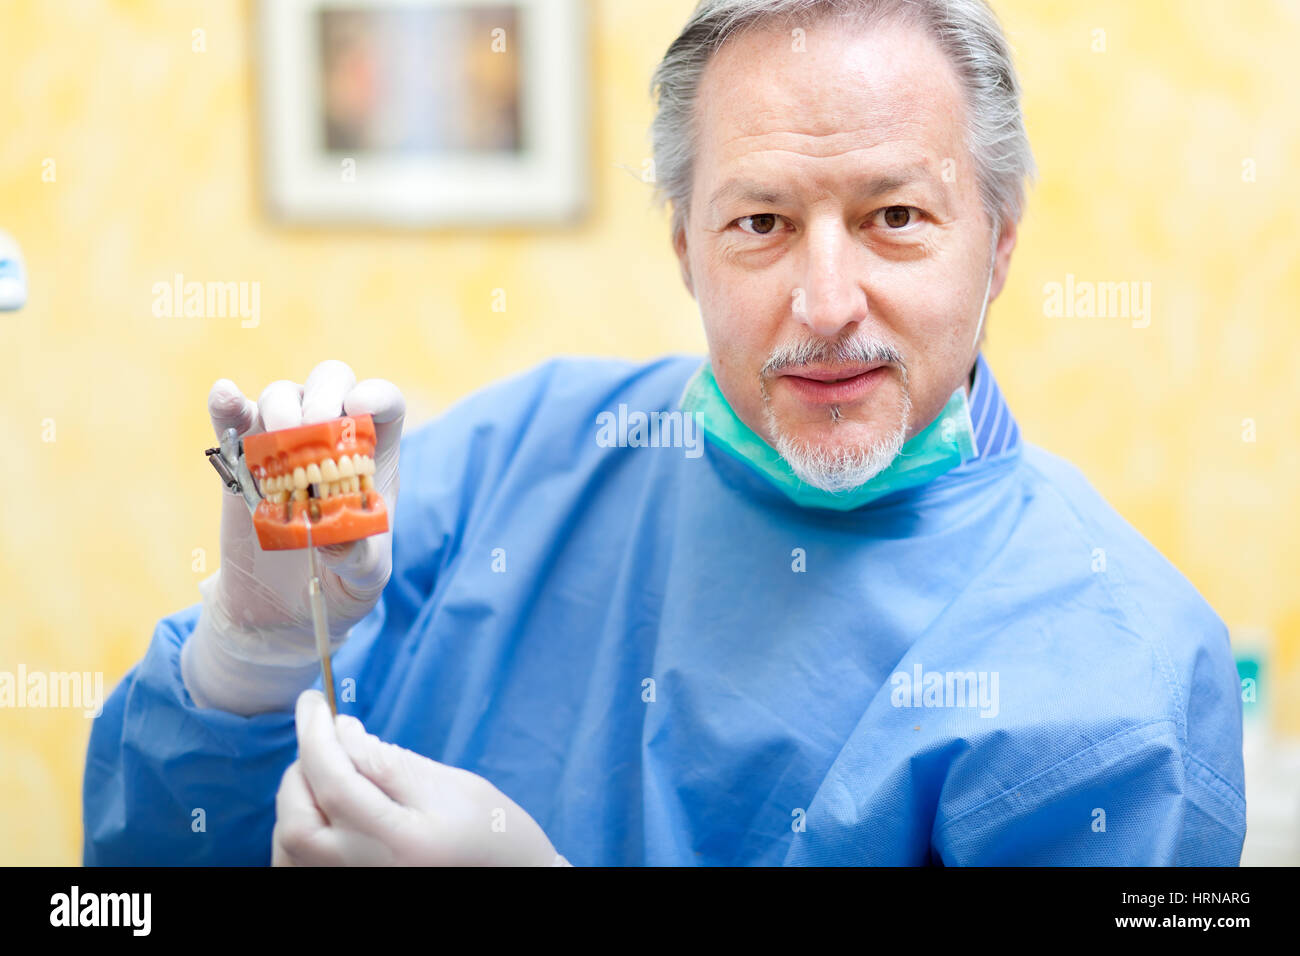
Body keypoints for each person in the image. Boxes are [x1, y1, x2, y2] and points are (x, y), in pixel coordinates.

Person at [84, 0, 1246, 866]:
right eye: (761, 222)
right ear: (685, 247)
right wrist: (251, 662)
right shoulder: (513, 461)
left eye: (894, 217)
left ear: (996, 240)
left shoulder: (1113, 681)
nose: (826, 298)